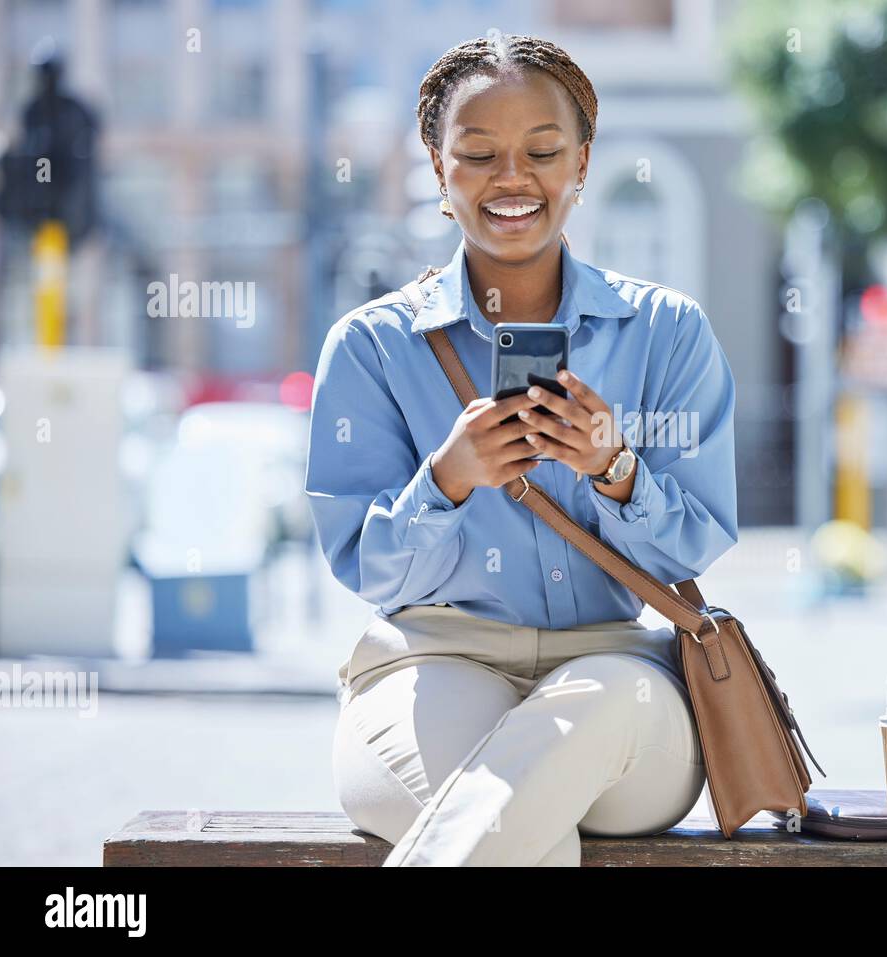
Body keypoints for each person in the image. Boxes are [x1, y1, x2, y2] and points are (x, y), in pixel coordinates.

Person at [305, 33, 739, 866]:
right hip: (430, 666)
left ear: (582, 162)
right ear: (438, 169)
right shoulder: (370, 345)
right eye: (477, 153)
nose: (513, 178)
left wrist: (615, 471)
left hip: (619, 680)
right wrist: (446, 480)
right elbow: (369, 573)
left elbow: (698, 542)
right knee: (508, 814)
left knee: (577, 727)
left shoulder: (668, 332)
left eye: (542, 150)